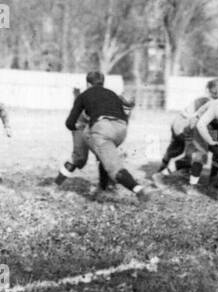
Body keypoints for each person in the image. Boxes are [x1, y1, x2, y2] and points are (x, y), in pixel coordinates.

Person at [59, 71, 150, 199]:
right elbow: (125, 113)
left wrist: (77, 127)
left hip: (99, 129)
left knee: (83, 158)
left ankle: (137, 189)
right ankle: (104, 188)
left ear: (87, 83)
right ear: (103, 82)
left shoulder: (84, 95)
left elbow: (69, 123)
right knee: (103, 154)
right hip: (120, 130)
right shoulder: (113, 94)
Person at [155, 80, 218, 186]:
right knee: (196, 156)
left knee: (178, 151)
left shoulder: (209, 100)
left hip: (181, 125)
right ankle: (188, 183)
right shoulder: (206, 101)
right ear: (209, 90)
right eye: (216, 91)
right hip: (185, 126)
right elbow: (196, 121)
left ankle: (162, 174)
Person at [55, 86, 114, 192]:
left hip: (95, 126)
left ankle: (105, 188)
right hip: (81, 125)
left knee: (104, 155)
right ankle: (57, 183)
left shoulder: (107, 97)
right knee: (79, 158)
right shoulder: (85, 97)